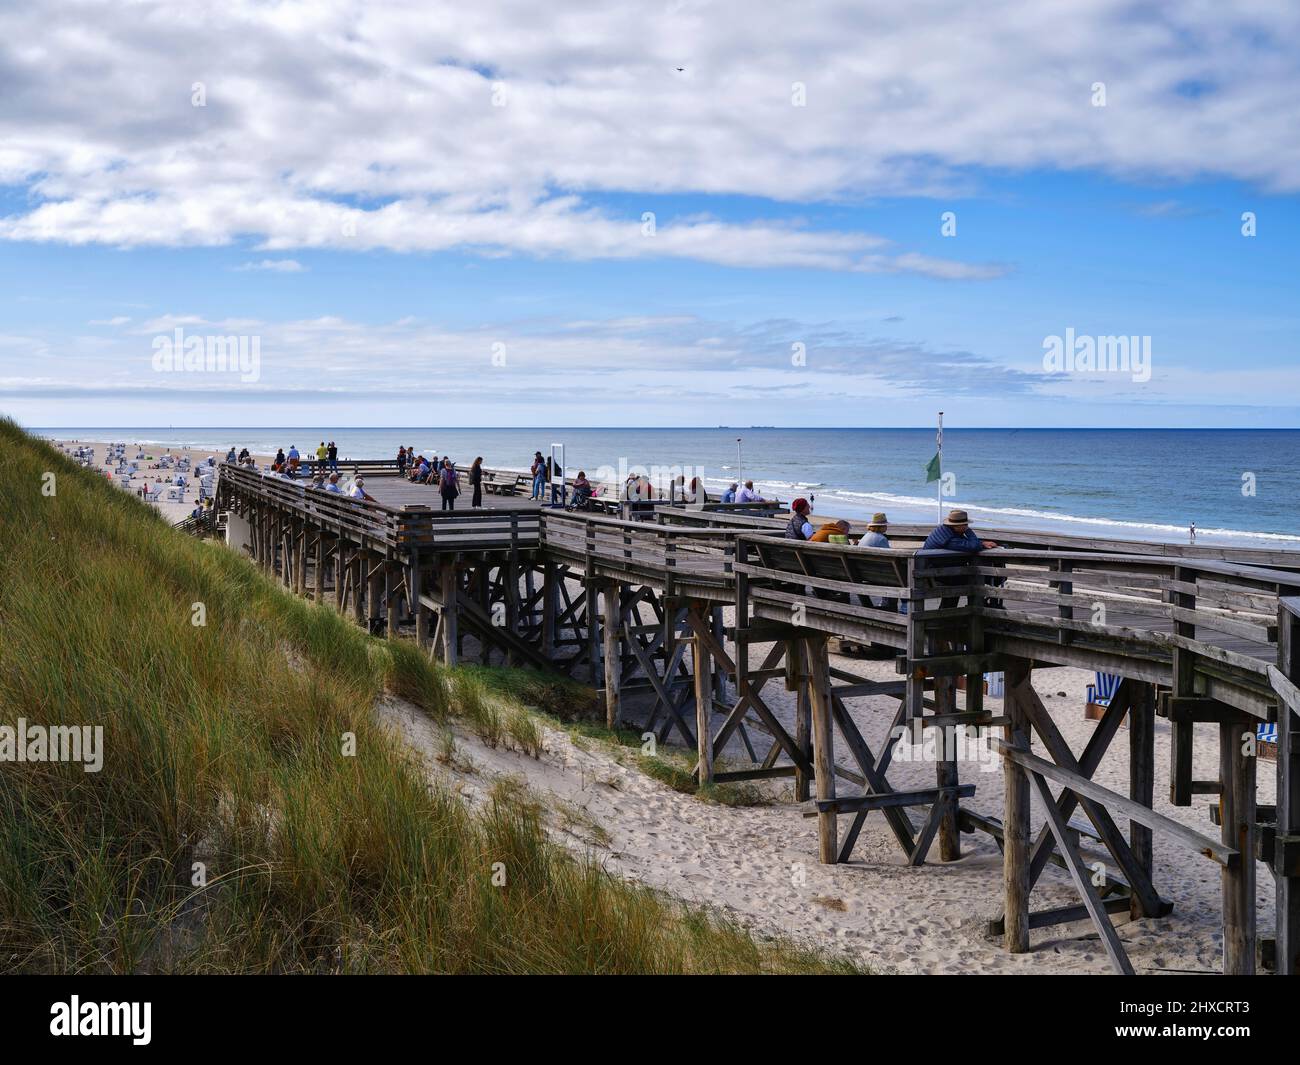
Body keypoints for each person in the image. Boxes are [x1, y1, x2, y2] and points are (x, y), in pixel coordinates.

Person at [923, 509, 1000, 608]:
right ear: (958, 526)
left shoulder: (945, 532)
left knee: (971, 577)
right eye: (965, 525)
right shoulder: (948, 539)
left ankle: (950, 613)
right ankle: (975, 609)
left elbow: (964, 544)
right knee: (976, 579)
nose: (967, 527)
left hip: (938, 572)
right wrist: (969, 532)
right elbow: (973, 547)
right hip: (936, 576)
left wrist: (982, 543)